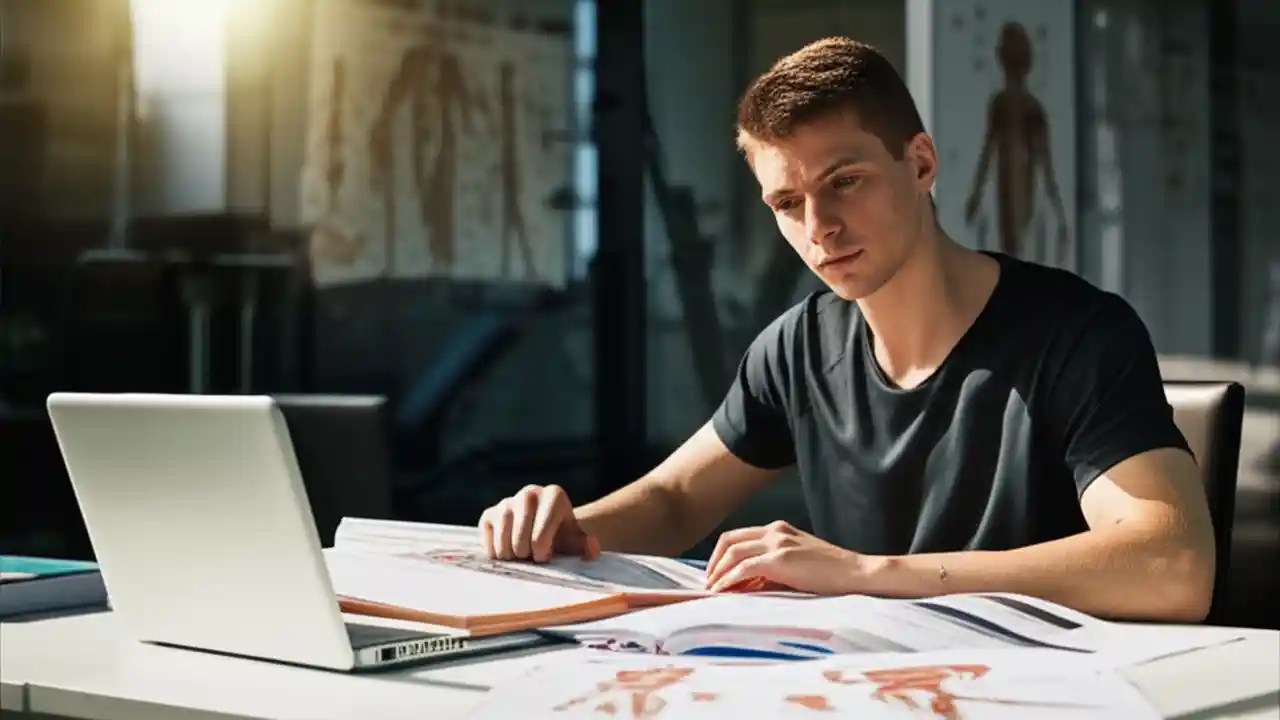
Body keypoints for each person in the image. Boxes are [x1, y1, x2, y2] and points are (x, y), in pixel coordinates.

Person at [477, 37, 1215, 622]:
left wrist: (866, 575)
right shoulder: (797, 349)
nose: (819, 226)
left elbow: (1173, 566)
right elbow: (675, 501)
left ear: (920, 163)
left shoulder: (1077, 336)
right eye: (787, 202)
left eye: (845, 182)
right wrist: (573, 530)